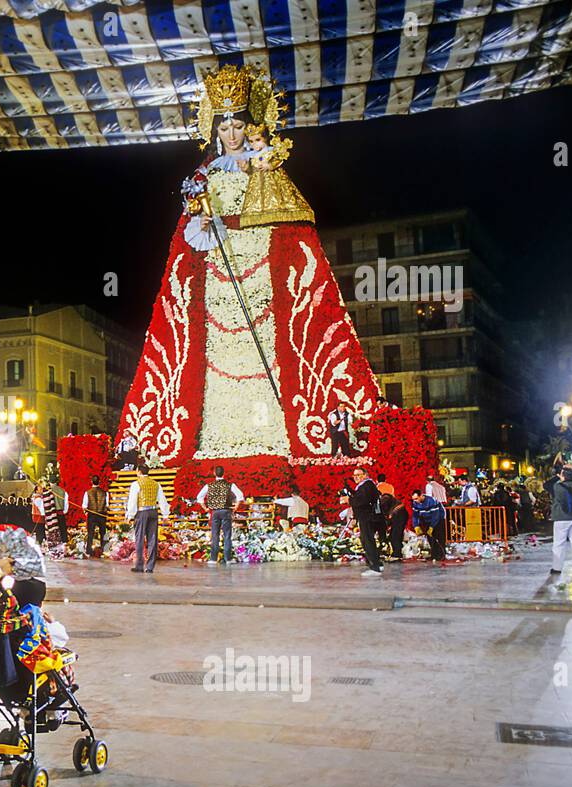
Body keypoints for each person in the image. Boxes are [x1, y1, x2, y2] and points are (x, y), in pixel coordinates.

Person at [115, 64, 379, 484]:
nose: (233, 134)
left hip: (261, 275)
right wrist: (201, 222)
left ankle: (277, 433)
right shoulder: (205, 177)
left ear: (249, 125)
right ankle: (211, 433)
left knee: (273, 350)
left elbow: (287, 226)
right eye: (226, 127)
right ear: (215, 129)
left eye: (239, 125)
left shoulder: (266, 168)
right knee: (212, 357)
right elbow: (191, 235)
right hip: (218, 272)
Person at [544, 456, 572, 575]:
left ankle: (557, 568)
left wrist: (559, 473)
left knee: (559, 544)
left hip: (561, 518)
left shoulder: (556, 486)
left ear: (562, 475)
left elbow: (545, 484)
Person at [125, 462, 169, 573]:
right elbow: (162, 500)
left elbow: (132, 501)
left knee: (139, 538)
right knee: (152, 539)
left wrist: (130, 515)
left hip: (141, 512)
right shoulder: (156, 484)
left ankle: (139, 565)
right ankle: (150, 567)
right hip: (153, 511)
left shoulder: (136, 484)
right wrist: (165, 515)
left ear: (139, 471)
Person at [197, 465, 243, 566]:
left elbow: (199, 497)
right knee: (227, 535)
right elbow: (240, 496)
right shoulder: (230, 485)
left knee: (215, 535)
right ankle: (228, 558)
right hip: (226, 510)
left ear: (214, 473)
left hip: (215, 512)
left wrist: (206, 508)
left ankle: (213, 558)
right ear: (224, 473)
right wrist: (236, 508)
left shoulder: (209, 485)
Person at [349, 466, 384, 576]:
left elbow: (362, 501)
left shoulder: (367, 485)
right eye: (354, 476)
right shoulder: (365, 486)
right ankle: (377, 563)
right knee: (366, 539)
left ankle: (375, 567)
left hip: (368, 516)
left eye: (358, 475)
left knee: (367, 540)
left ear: (365, 475)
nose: (356, 478)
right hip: (367, 516)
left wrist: (348, 500)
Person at [410, 490, 448, 562]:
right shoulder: (415, 503)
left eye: (416, 498)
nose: (415, 501)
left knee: (439, 537)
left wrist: (432, 527)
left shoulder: (431, 501)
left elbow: (435, 516)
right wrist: (416, 526)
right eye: (413, 499)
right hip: (427, 519)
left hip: (439, 519)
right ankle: (434, 555)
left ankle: (442, 555)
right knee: (430, 538)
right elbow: (415, 515)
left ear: (421, 496)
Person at [31, 479, 68, 546]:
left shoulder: (47, 492)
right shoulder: (63, 491)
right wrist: (64, 511)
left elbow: (44, 506)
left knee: (52, 531)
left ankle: (55, 544)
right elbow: (66, 505)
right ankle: (64, 544)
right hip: (60, 513)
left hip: (51, 514)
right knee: (63, 530)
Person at [82, 475, 110, 557]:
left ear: (91, 482)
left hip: (92, 514)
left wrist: (87, 513)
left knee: (90, 533)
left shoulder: (87, 493)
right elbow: (107, 505)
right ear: (99, 482)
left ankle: (89, 551)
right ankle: (105, 550)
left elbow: (84, 506)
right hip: (102, 514)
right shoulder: (105, 493)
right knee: (103, 533)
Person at [379, 492, 409, 561]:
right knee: (394, 535)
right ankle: (396, 552)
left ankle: (397, 554)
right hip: (399, 515)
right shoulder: (383, 500)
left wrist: (386, 524)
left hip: (399, 515)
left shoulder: (384, 500)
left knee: (395, 535)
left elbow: (385, 514)